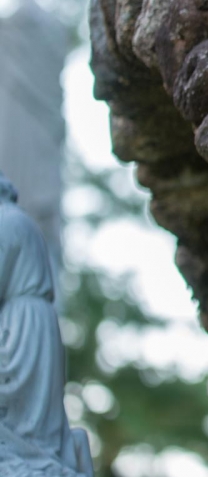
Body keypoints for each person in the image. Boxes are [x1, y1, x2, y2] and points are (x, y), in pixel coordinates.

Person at [0, 175, 94, 477]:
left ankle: (26, 455)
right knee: (32, 413)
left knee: (20, 411)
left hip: (18, 327)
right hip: (35, 321)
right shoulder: (20, 220)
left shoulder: (6, 222)